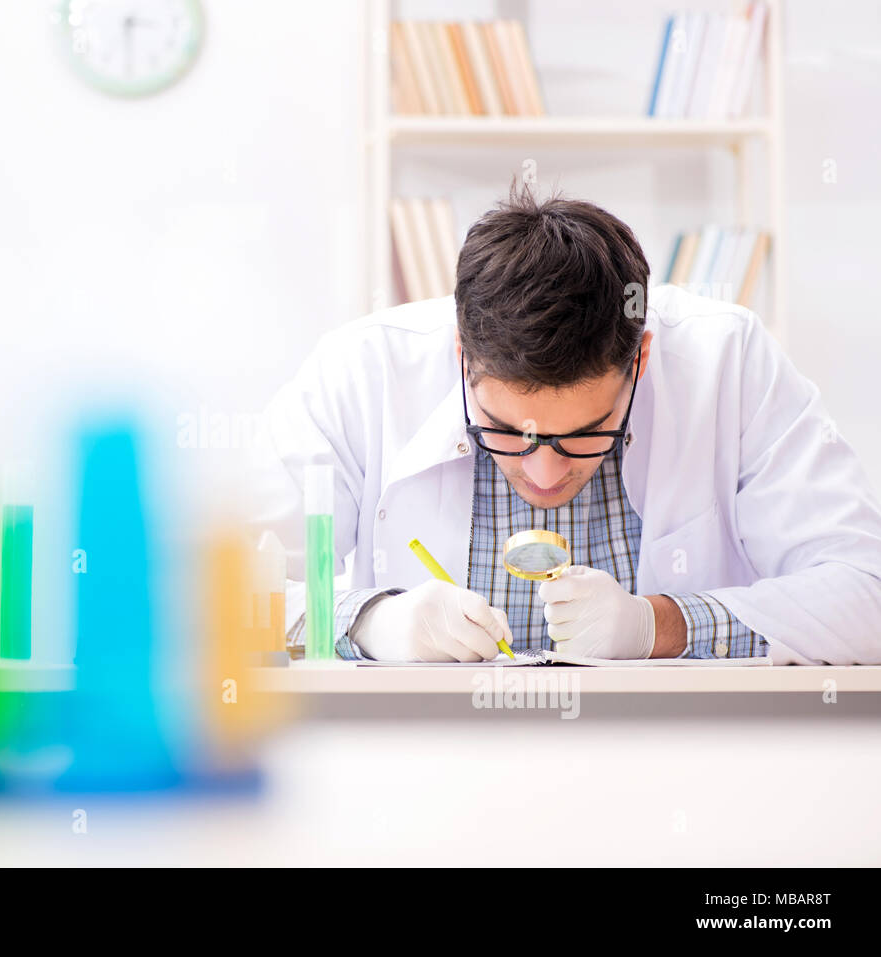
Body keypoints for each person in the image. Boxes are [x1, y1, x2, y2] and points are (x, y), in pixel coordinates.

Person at [251, 185, 881, 664]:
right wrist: (370, 623)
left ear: (642, 358)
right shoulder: (363, 369)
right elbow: (212, 592)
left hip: (681, 760)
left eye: (586, 434)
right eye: (505, 432)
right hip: (425, 765)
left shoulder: (729, 361)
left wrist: (657, 624)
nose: (545, 472)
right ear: (461, 357)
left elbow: (864, 594)